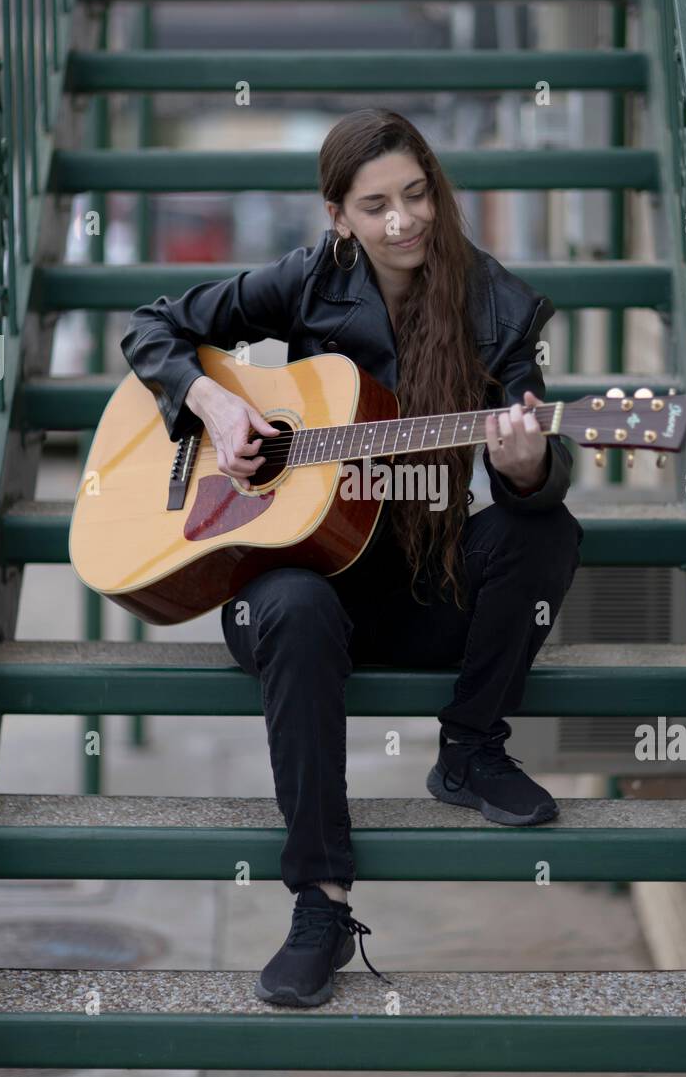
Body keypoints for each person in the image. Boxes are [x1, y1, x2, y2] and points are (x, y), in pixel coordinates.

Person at [120, 108, 583, 1009]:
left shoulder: (500, 308)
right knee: (291, 605)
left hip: (424, 587)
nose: (404, 221)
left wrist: (530, 468)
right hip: (299, 585)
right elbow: (153, 328)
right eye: (376, 206)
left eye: (417, 196)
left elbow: (547, 456)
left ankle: (470, 748)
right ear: (339, 217)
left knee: (544, 529)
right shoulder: (305, 282)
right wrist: (214, 408)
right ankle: (320, 903)